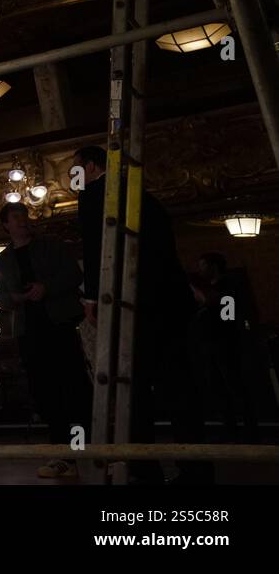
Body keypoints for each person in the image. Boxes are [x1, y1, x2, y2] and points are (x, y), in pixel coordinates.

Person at [72, 145, 210, 484]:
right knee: (179, 388)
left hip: (131, 304)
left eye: (76, 171)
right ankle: (197, 470)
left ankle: (143, 470)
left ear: (90, 167)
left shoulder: (93, 195)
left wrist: (92, 299)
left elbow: (95, 249)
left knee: (130, 389)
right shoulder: (140, 195)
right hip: (170, 303)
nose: (74, 178)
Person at [0, 202, 91, 479]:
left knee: (74, 387)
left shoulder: (51, 247)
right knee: (45, 392)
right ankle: (62, 454)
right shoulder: (3, 260)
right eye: (16, 217)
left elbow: (74, 275)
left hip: (58, 324)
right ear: (6, 225)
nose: (22, 220)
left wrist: (46, 288)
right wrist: (15, 298)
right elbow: (0, 295)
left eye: (24, 216)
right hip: (29, 330)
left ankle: (86, 448)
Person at [191, 253, 259, 443]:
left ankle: (249, 431)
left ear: (213, 266)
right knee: (219, 389)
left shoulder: (227, 287)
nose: (200, 270)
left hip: (225, 345)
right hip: (211, 345)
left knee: (235, 387)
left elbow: (227, 316)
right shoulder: (215, 289)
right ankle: (232, 430)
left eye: (203, 266)